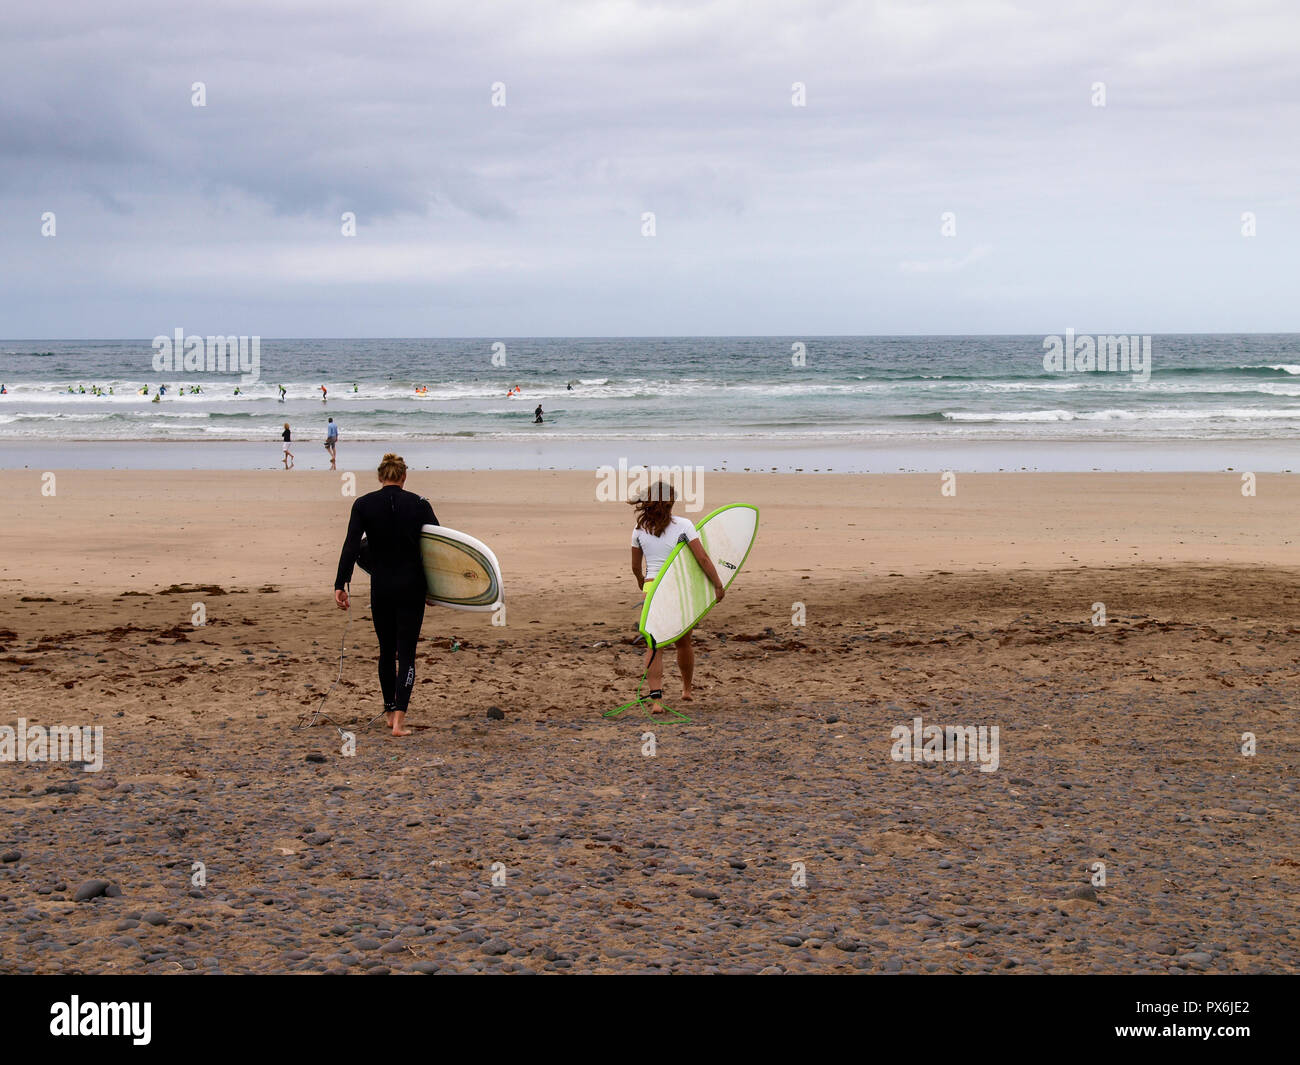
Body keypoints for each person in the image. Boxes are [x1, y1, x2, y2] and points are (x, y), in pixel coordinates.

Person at [333, 453, 438, 737]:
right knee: (406, 654)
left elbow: (351, 546)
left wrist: (341, 584)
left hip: (382, 586)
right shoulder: (419, 504)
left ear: (381, 478)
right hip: (412, 586)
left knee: (385, 651)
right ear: (403, 477)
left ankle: (390, 711)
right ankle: (400, 723)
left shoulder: (363, 504)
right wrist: (437, 590)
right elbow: (438, 549)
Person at [629, 482, 724, 713]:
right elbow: (702, 559)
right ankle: (686, 690)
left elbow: (635, 567)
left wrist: (643, 582)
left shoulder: (639, 530)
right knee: (683, 641)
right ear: (671, 502)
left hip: (652, 588)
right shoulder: (684, 525)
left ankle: (657, 701)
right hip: (677, 589)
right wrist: (718, 584)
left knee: (654, 645)